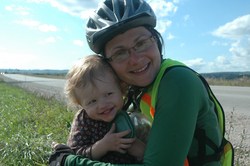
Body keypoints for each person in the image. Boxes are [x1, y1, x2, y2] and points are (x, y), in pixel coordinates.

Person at [50, 0, 233, 165]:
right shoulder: (134, 88)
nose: (135, 59)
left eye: (141, 43)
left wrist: (68, 162)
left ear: (157, 40)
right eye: (120, 52)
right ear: (108, 64)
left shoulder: (177, 82)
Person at [62, 55, 145, 164]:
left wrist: (139, 149)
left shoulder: (129, 115)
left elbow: (149, 155)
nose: (102, 105)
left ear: (121, 89)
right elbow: (74, 154)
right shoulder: (84, 120)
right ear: (81, 104)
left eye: (108, 94)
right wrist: (103, 146)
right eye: (92, 101)